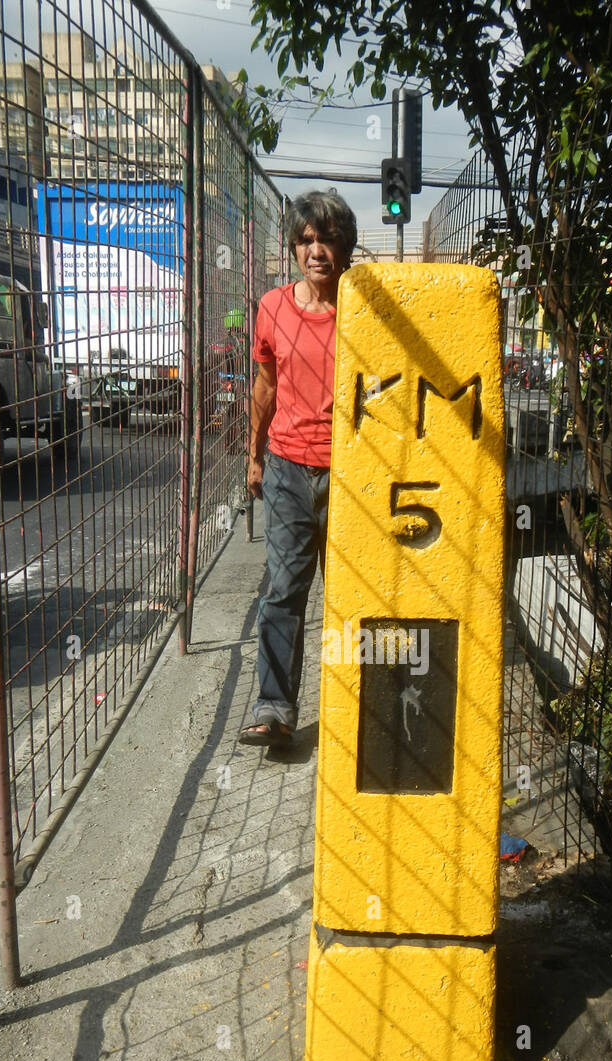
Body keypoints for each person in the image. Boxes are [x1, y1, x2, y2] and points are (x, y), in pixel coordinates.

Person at [239, 190, 357, 748]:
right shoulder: (272, 308)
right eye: (306, 240)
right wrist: (255, 454)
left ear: (345, 248)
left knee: (352, 597)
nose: (317, 250)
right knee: (283, 591)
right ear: (294, 248)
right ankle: (275, 710)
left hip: (352, 474)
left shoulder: (363, 309)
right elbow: (265, 384)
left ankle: (354, 715)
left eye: (327, 239)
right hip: (287, 466)